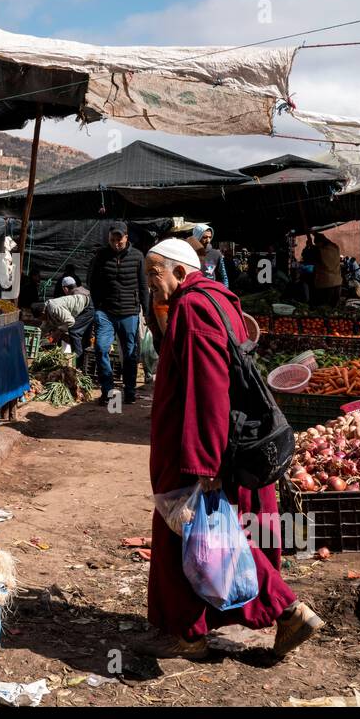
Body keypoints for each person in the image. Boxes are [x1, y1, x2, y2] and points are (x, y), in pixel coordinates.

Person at [136, 237, 320, 660]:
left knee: (204, 537)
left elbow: (208, 388)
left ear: (181, 272)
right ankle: (191, 631)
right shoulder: (219, 299)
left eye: (154, 273)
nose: (150, 283)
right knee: (202, 536)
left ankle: (285, 609)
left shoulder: (193, 307)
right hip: (205, 442)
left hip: (197, 446)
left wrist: (203, 460)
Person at [88, 222, 148, 404]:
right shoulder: (101, 256)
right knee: (101, 348)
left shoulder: (138, 256)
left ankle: (129, 391)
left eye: (119, 239)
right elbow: (92, 281)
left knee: (130, 354)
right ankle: (108, 391)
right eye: (113, 239)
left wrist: (146, 311)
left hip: (129, 312)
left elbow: (143, 286)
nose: (116, 243)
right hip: (106, 312)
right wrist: (98, 305)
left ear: (126, 238)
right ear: (109, 238)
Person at [41, 275, 95, 355]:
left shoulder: (75, 295)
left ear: (65, 288)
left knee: (74, 331)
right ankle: (73, 354)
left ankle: (76, 357)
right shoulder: (80, 290)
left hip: (88, 308)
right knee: (78, 332)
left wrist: (58, 331)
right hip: (91, 306)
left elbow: (70, 321)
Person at [307, 231, 342, 306]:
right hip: (337, 283)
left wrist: (310, 246)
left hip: (325, 284)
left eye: (317, 244)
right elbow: (327, 242)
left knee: (323, 308)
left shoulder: (320, 251)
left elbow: (311, 255)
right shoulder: (335, 248)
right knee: (334, 309)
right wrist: (316, 234)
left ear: (320, 243)